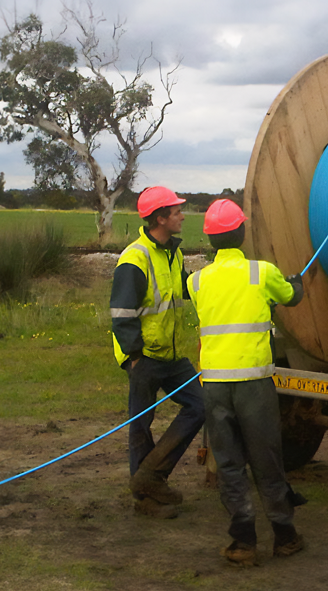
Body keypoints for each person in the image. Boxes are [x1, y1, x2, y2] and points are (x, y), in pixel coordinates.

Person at [188, 198, 305, 566]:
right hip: (254, 384)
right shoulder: (262, 272)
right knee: (267, 460)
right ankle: (285, 537)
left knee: (229, 463)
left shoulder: (197, 281)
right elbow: (291, 296)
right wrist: (296, 283)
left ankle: (242, 543)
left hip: (215, 386)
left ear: (209, 239)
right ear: (242, 233)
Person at [110, 186, 206, 519]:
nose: (183, 216)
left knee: (200, 405)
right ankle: (145, 500)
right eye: (177, 211)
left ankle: (150, 477)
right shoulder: (134, 258)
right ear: (160, 218)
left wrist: (214, 284)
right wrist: (135, 356)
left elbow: (182, 288)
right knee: (141, 424)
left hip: (173, 355)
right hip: (145, 356)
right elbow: (121, 312)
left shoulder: (173, 253)